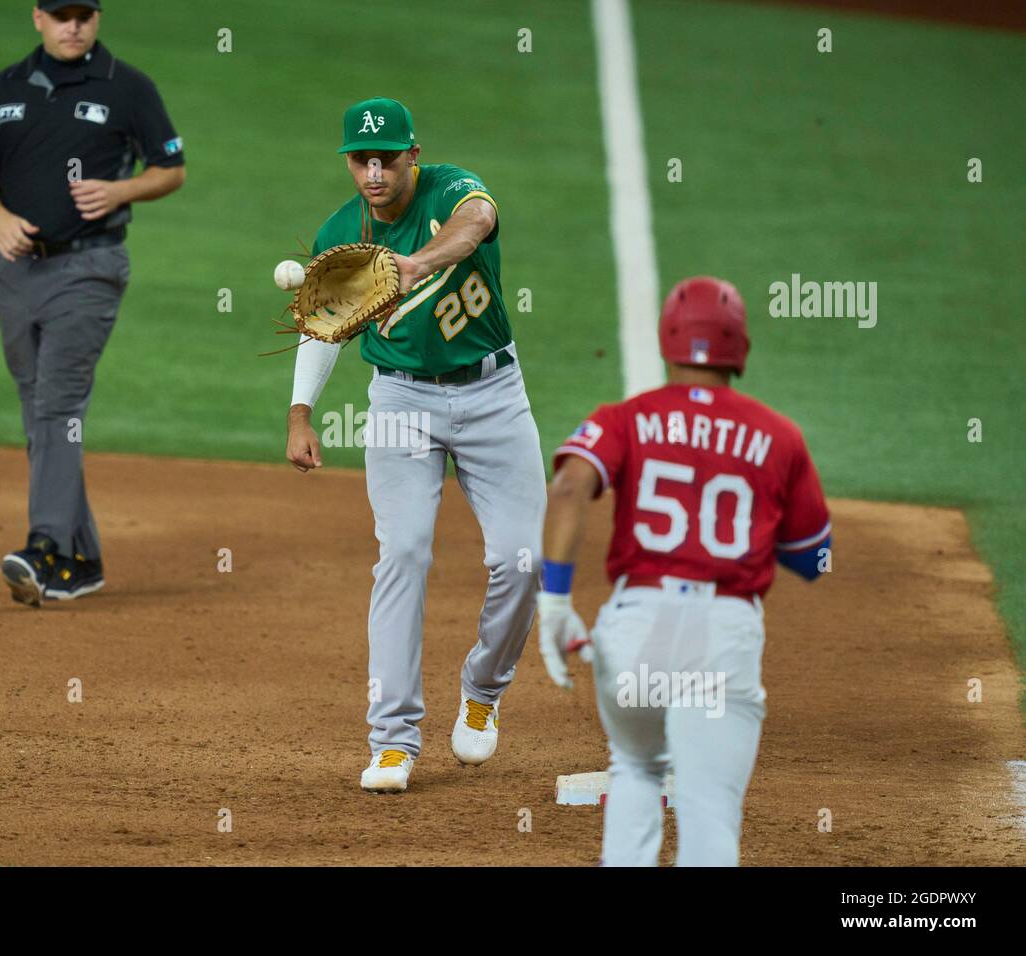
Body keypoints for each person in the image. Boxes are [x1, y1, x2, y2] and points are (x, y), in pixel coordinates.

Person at [285, 97, 547, 792]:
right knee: (402, 554)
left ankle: (484, 689)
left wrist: (414, 264)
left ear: (413, 155)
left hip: (494, 395)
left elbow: (477, 224)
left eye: (388, 159)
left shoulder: (453, 189)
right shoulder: (341, 234)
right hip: (401, 400)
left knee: (521, 560)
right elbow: (323, 323)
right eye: (361, 159)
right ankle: (393, 741)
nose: (374, 172)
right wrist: (301, 412)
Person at [537, 276, 831, 864]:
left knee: (637, 772)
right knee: (709, 809)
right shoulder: (779, 435)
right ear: (739, 345)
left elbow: (570, 485)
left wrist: (555, 601)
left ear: (668, 339)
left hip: (636, 627)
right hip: (722, 635)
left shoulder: (626, 418)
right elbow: (813, 557)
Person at [0, 0, 185, 606]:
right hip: (15, 270)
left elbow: (172, 167)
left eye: (84, 13)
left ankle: (45, 546)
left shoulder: (127, 87)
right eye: (61, 14)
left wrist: (121, 189)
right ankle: (82, 562)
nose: (73, 25)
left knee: (57, 402)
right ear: (38, 18)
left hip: (89, 267)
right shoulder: (2, 87)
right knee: (40, 413)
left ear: (97, 18)